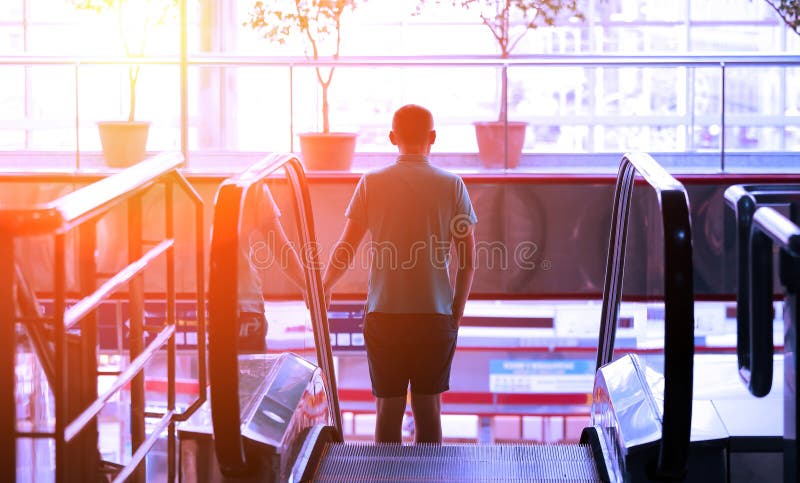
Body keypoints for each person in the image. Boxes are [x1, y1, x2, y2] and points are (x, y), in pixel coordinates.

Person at [322, 104, 477, 444]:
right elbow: (468, 260)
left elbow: (345, 248)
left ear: (392, 138)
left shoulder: (371, 183)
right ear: (432, 138)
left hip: (383, 315)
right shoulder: (453, 186)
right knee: (429, 410)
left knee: (387, 412)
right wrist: (455, 315)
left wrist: (324, 287)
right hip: (434, 317)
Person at [238, 181, 306, 352]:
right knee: (251, 376)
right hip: (244, 306)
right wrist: (310, 288)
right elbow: (280, 248)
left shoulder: (189, 182)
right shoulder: (253, 187)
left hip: (206, 306)